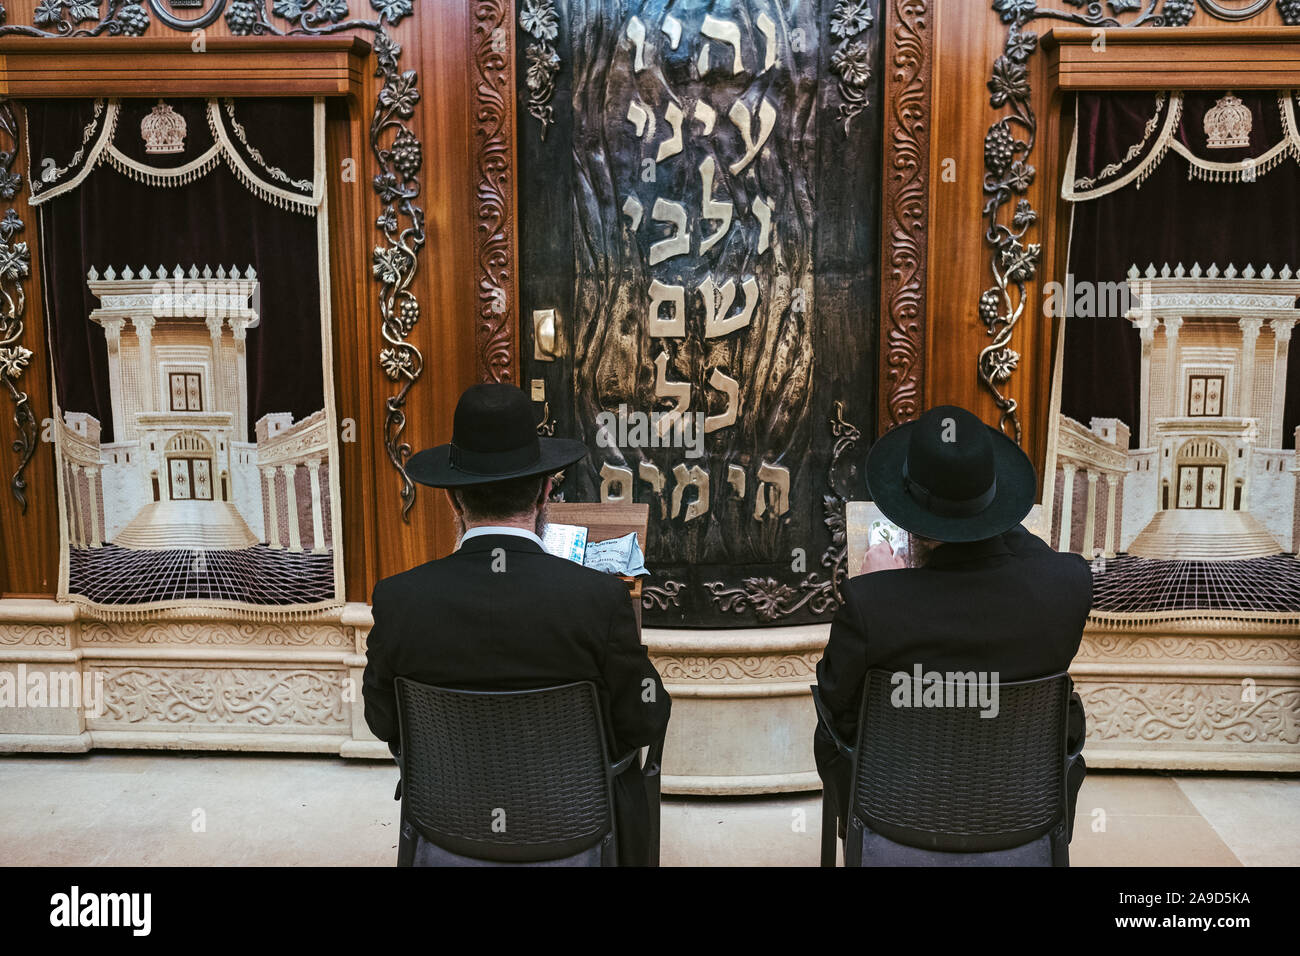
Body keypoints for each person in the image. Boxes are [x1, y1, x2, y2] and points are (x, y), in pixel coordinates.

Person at [363, 383, 671, 866]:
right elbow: (645, 717)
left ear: (453, 500)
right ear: (546, 490)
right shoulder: (599, 600)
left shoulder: (399, 601)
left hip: (445, 840)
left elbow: (382, 721)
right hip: (575, 843)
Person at [815, 404, 1092, 852]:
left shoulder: (874, 605)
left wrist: (878, 582)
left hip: (899, 815)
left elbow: (834, 699)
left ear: (911, 522)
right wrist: (991, 520)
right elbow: (1035, 562)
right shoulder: (1068, 587)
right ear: (996, 500)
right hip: (1022, 812)